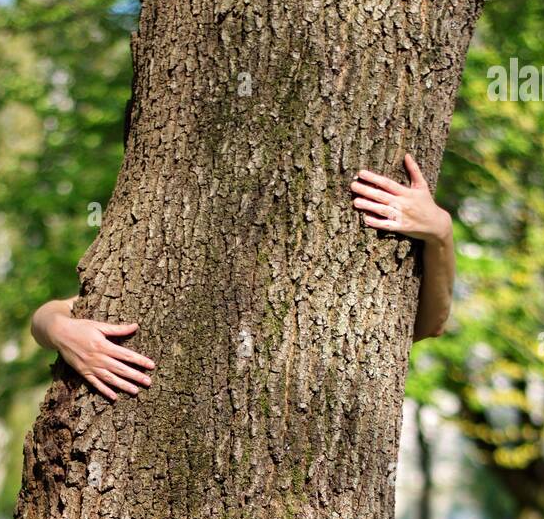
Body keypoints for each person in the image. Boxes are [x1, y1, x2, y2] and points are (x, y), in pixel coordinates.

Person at [30, 152, 453, 395]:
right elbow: (53, 312)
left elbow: (426, 324)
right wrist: (60, 331)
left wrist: (440, 234)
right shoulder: (171, 260)